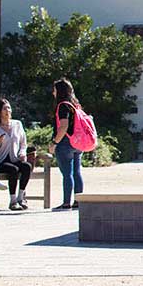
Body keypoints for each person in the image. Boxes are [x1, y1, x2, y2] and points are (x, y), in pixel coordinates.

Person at [0, 98, 34, 210]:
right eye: (4, 108)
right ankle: (13, 201)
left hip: (15, 158)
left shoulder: (17, 124)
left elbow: (23, 143)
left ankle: (20, 197)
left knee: (27, 166)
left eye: (9, 107)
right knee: (13, 169)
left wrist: (23, 153)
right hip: (1, 161)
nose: (8, 110)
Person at [50, 78, 85, 211]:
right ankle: (78, 201)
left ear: (59, 91)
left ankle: (66, 203)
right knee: (77, 172)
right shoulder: (75, 105)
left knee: (67, 173)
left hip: (65, 143)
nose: (53, 92)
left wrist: (54, 142)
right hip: (78, 142)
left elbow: (63, 127)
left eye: (54, 89)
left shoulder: (63, 106)